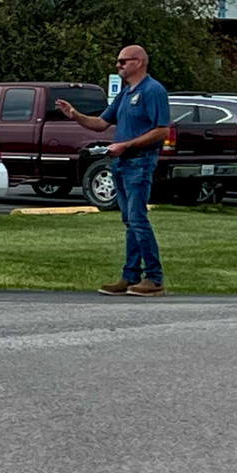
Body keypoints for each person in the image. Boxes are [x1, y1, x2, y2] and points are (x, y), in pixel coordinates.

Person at [56, 44, 171, 296]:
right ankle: (130, 276)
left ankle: (154, 278)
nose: (118, 65)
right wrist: (75, 115)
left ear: (138, 62)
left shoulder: (153, 91)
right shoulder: (126, 93)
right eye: (118, 62)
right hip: (122, 162)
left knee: (138, 219)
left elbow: (162, 130)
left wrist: (126, 145)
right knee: (129, 220)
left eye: (123, 61)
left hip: (140, 161)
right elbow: (101, 123)